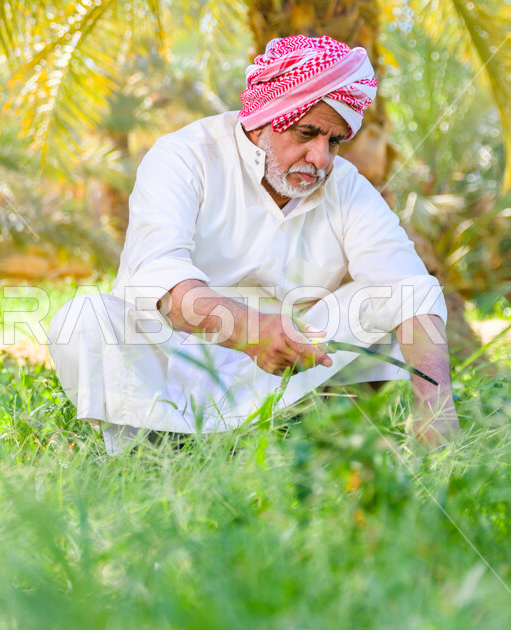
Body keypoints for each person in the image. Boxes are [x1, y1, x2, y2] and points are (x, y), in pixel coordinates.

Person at [47, 35, 458, 454]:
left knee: (390, 299)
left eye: (333, 141)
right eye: (308, 132)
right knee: (83, 318)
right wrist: (251, 330)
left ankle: (314, 440)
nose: (320, 157)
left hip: (281, 377)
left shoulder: (345, 187)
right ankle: (151, 451)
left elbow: (409, 287)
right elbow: (162, 281)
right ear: (267, 115)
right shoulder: (184, 156)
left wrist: (434, 405)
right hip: (169, 364)